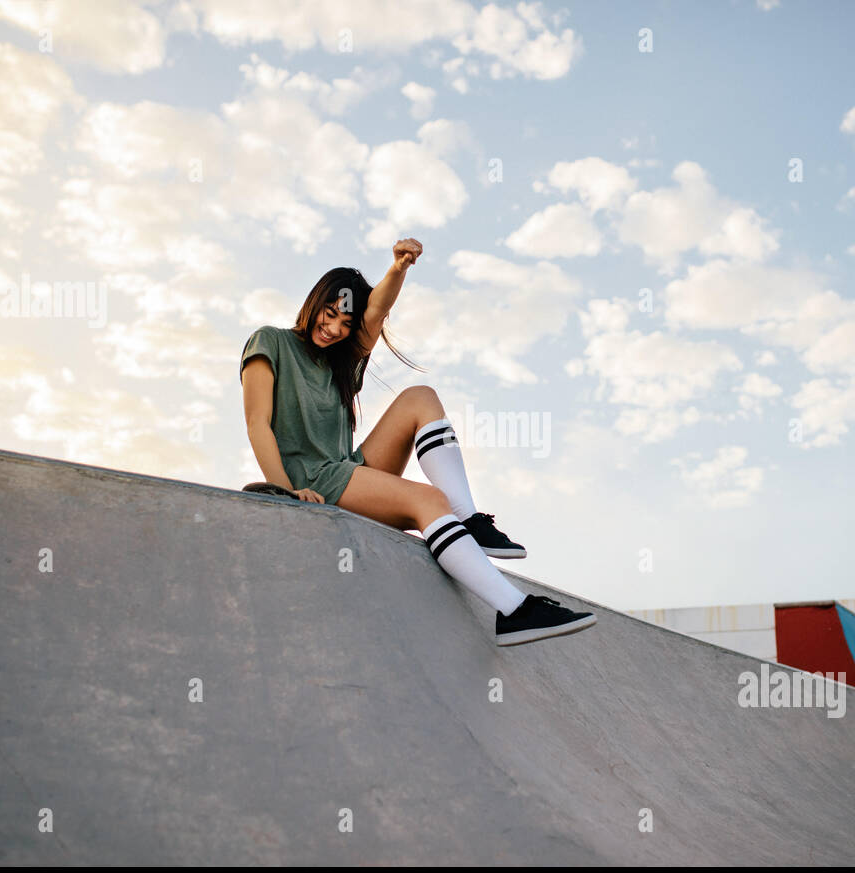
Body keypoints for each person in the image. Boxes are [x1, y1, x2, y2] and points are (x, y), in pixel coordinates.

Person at [240, 238, 596, 646]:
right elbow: (257, 424)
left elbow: (376, 310)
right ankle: (514, 610)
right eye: (330, 313)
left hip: (347, 472)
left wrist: (398, 269)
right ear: (315, 299)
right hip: (314, 483)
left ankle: (469, 519)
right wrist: (285, 493)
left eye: (345, 324)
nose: (335, 329)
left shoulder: (341, 360)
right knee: (430, 501)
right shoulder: (270, 341)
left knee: (420, 398)